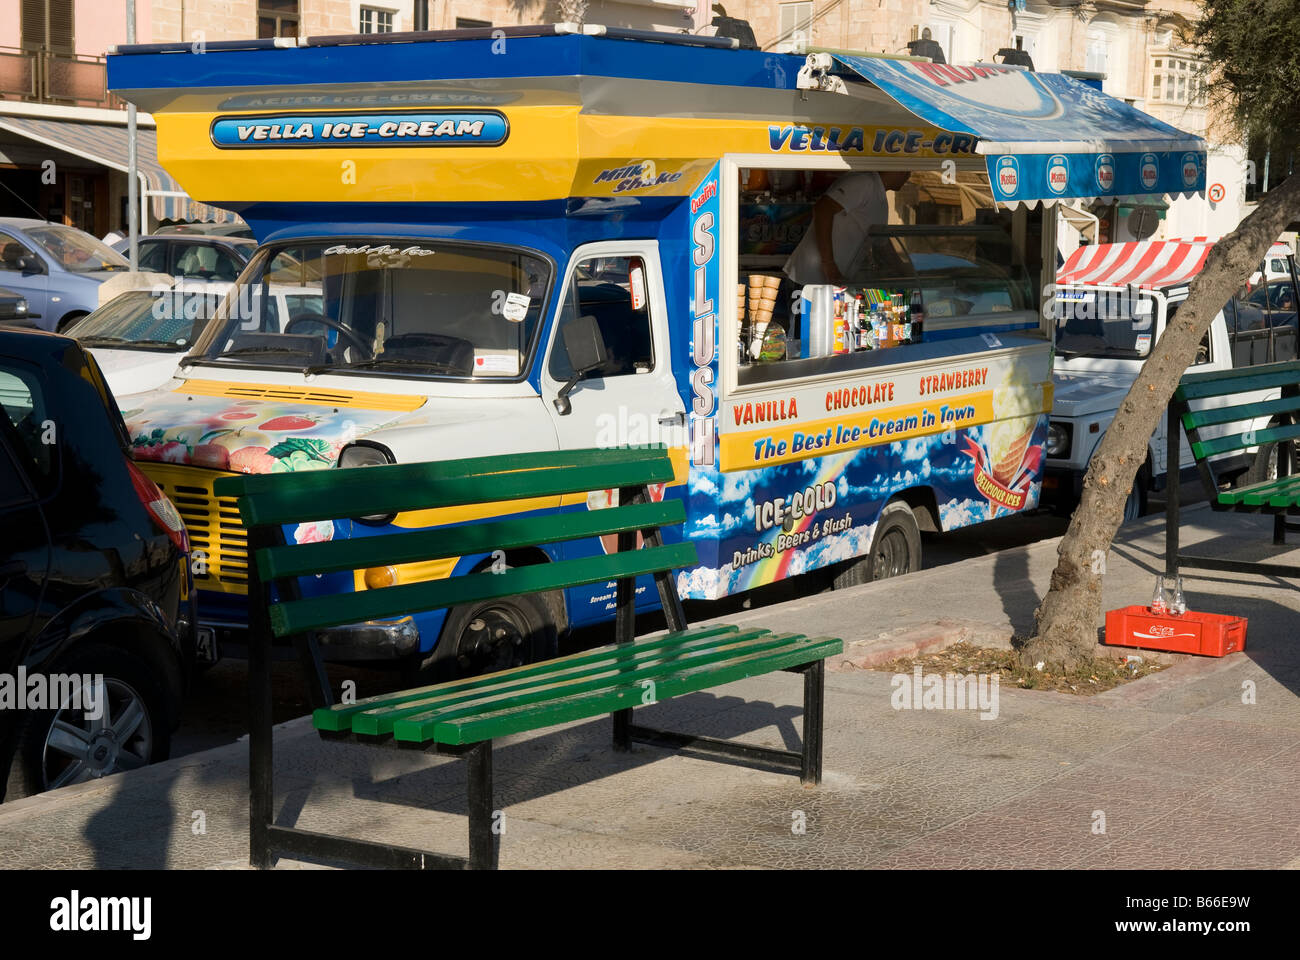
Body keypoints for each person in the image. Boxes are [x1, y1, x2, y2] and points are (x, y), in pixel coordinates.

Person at [784, 170, 910, 285]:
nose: (908, 175)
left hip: (835, 282)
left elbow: (882, 245)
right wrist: (829, 265)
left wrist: (907, 273)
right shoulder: (865, 182)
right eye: (907, 170)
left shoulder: (881, 200)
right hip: (808, 278)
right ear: (894, 169)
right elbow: (823, 210)